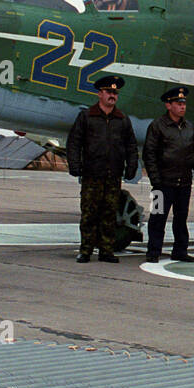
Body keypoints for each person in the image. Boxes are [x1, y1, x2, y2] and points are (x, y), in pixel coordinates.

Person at [66, 75, 138, 263]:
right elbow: (74, 142)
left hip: (113, 175)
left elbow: (131, 145)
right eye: (109, 92)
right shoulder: (87, 117)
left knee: (109, 213)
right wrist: (74, 165)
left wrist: (131, 166)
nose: (112, 95)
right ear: (100, 94)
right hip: (92, 174)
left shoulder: (122, 120)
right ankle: (86, 250)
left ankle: (106, 251)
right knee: (89, 214)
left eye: (115, 92)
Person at [142, 85, 194, 263]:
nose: (182, 106)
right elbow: (149, 154)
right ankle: (153, 251)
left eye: (184, 103)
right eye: (178, 103)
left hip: (183, 183)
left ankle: (180, 250)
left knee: (181, 219)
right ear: (168, 105)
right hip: (162, 183)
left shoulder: (189, 127)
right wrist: (155, 178)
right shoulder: (157, 126)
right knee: (157, 218)